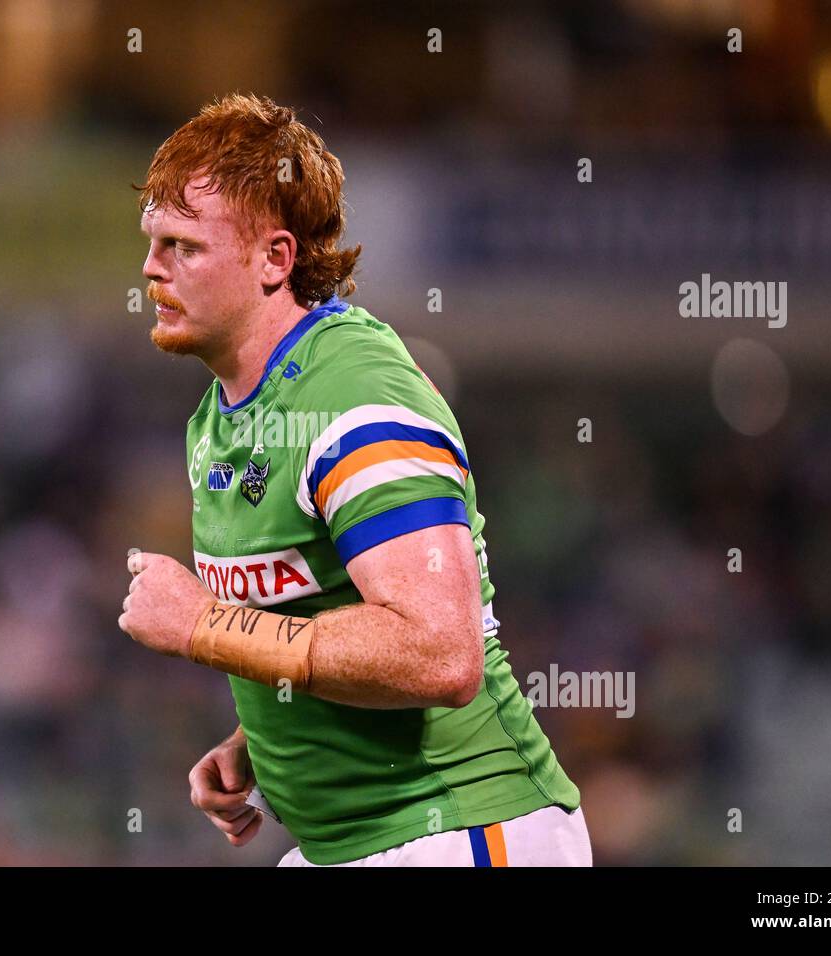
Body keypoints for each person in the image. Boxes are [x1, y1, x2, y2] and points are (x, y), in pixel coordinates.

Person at [119, 92, 591, 867]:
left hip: (458, 832)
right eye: (152, 242)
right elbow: (320, 612)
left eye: (184, 246)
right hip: (357, 843)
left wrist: (204, 625)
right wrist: (265, 740)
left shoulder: (354, 394)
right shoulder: (221, 415)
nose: (151, 268)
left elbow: (441, 652)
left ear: (275, 259)